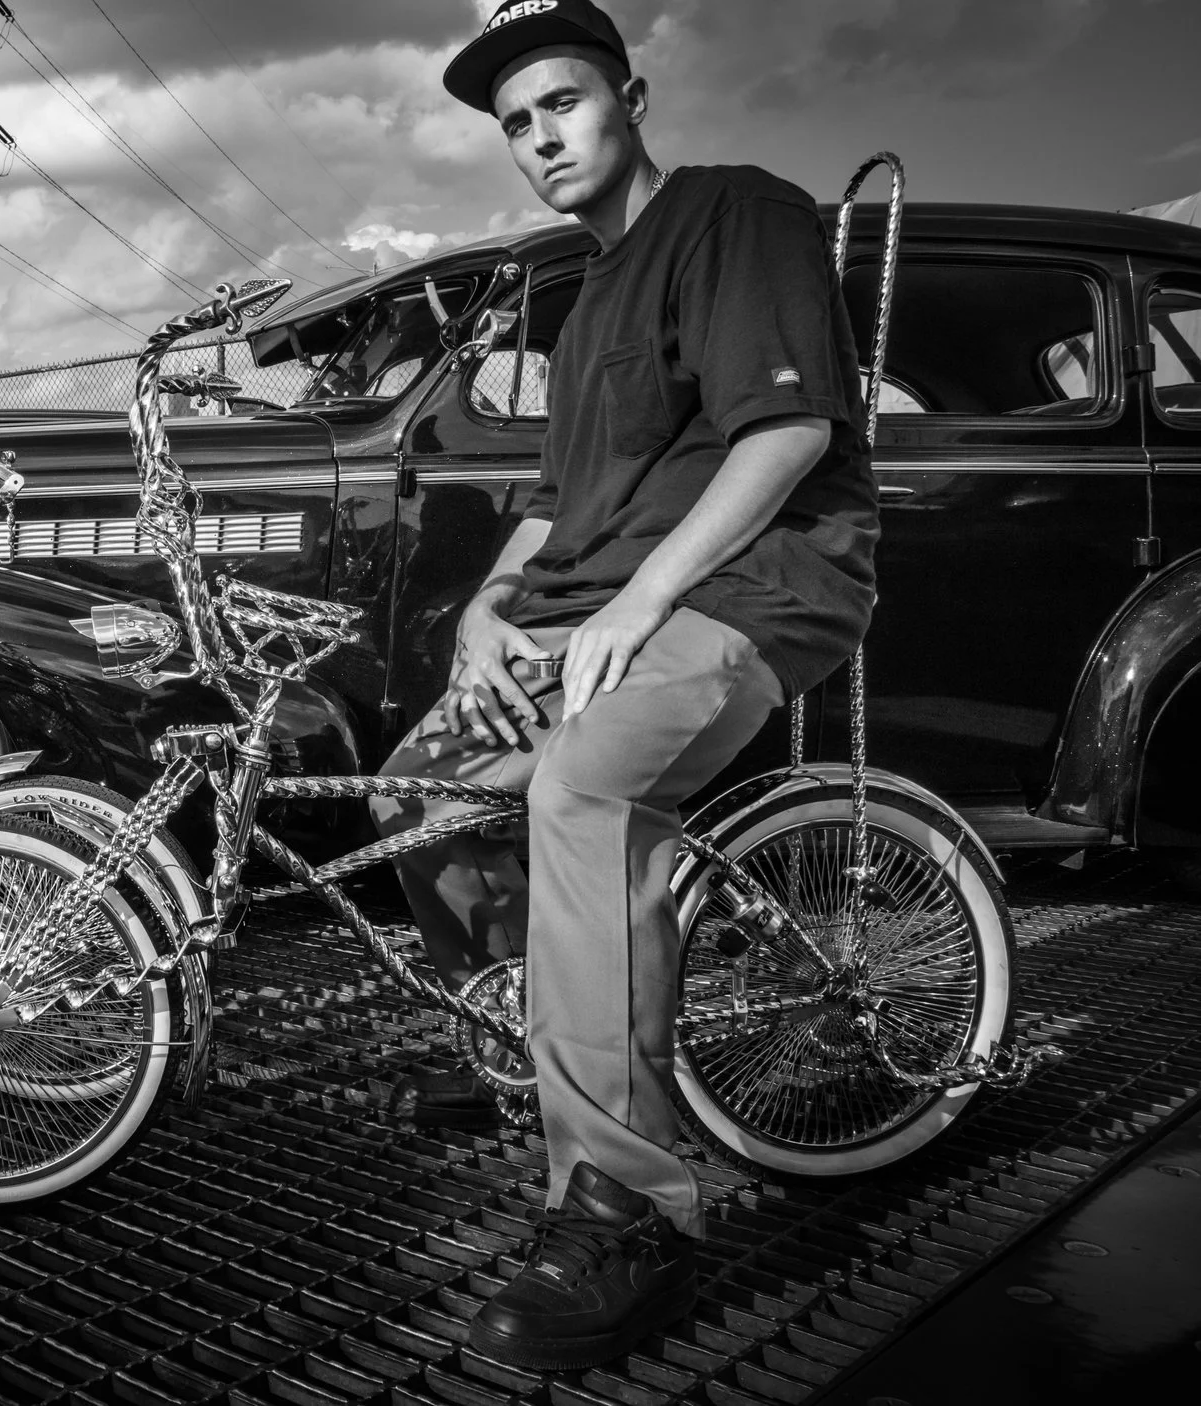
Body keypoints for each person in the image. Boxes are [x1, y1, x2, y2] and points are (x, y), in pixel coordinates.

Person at [365, 0, 879, 1372]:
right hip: (598, 611)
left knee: (584, 787)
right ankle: (534, 1052)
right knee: (418, 786)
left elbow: (790, 433)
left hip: (750, 593)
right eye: (517, 122)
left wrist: (644, 601)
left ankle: (629, 1201)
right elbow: (553, 509)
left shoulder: (736, 215)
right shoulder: (586, 299)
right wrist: (484, 609)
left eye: (564, 103)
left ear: (631, 97)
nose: (540, 136)